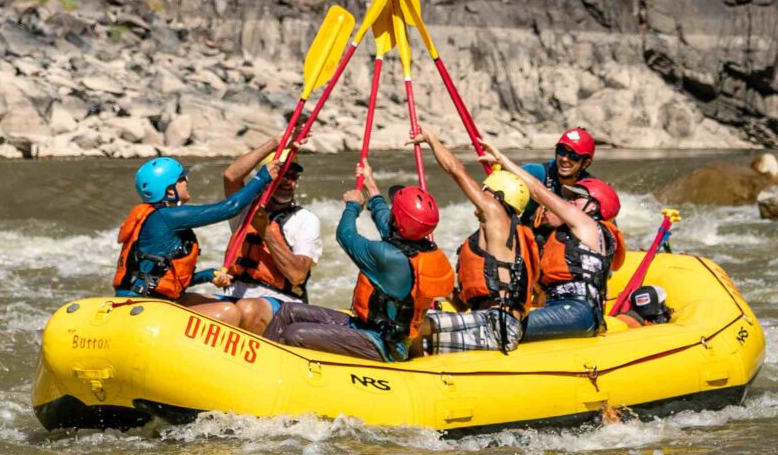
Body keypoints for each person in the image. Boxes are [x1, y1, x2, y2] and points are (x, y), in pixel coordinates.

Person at [262, 162, 453, 361]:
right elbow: (383, 216)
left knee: (295, 333)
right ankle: (261, 362)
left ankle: (274, 372)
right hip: (366, 327)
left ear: (398, 221)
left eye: (394, 210)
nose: (390, 211)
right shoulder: (418, 245)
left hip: (383, 345)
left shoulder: (386, 255)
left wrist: (352, 206)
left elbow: (345, 235)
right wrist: (369, 182)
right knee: (288, 311)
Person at [413, 129, 538, 355]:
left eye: (485, 191)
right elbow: (464, 306)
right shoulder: (499, 236)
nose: (480, 196)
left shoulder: (495, 213)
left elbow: (457, 171)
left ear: (497, 197)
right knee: (417, 315)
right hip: (487, 321)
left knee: (413, 326)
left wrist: (432, 140)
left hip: (497, 326)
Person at [482, 140, 618, 340]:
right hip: (558, 303)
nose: (569, 202)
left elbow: (537, 191)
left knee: (502, 325)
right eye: (561, 152)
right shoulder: (573, 236)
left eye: (576, 199)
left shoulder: (588, 225)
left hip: (577, 311)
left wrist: (501, 158)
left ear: (594, 207)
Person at [199, 135, 323, 331]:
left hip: (282, 302)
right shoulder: (245, 209)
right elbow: (231, 176)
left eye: (293, 176)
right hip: (235, 295)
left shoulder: (306, 220)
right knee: (189, 301)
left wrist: (265, 230)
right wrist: (275, 142)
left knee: (247, 309)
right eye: (282, 174)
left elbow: (298, 275)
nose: (287, 182)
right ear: (268, 176)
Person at [113, 156, 271, 303]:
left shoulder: (156, 218)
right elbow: (229, 208)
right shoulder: (167, 217)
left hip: (140, 299)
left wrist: (207, 275)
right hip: (147, 302)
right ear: (169, 190)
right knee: (228, 309)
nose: (186, 180)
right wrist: (263, 177)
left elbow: (163, 276)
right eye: (181, 178)